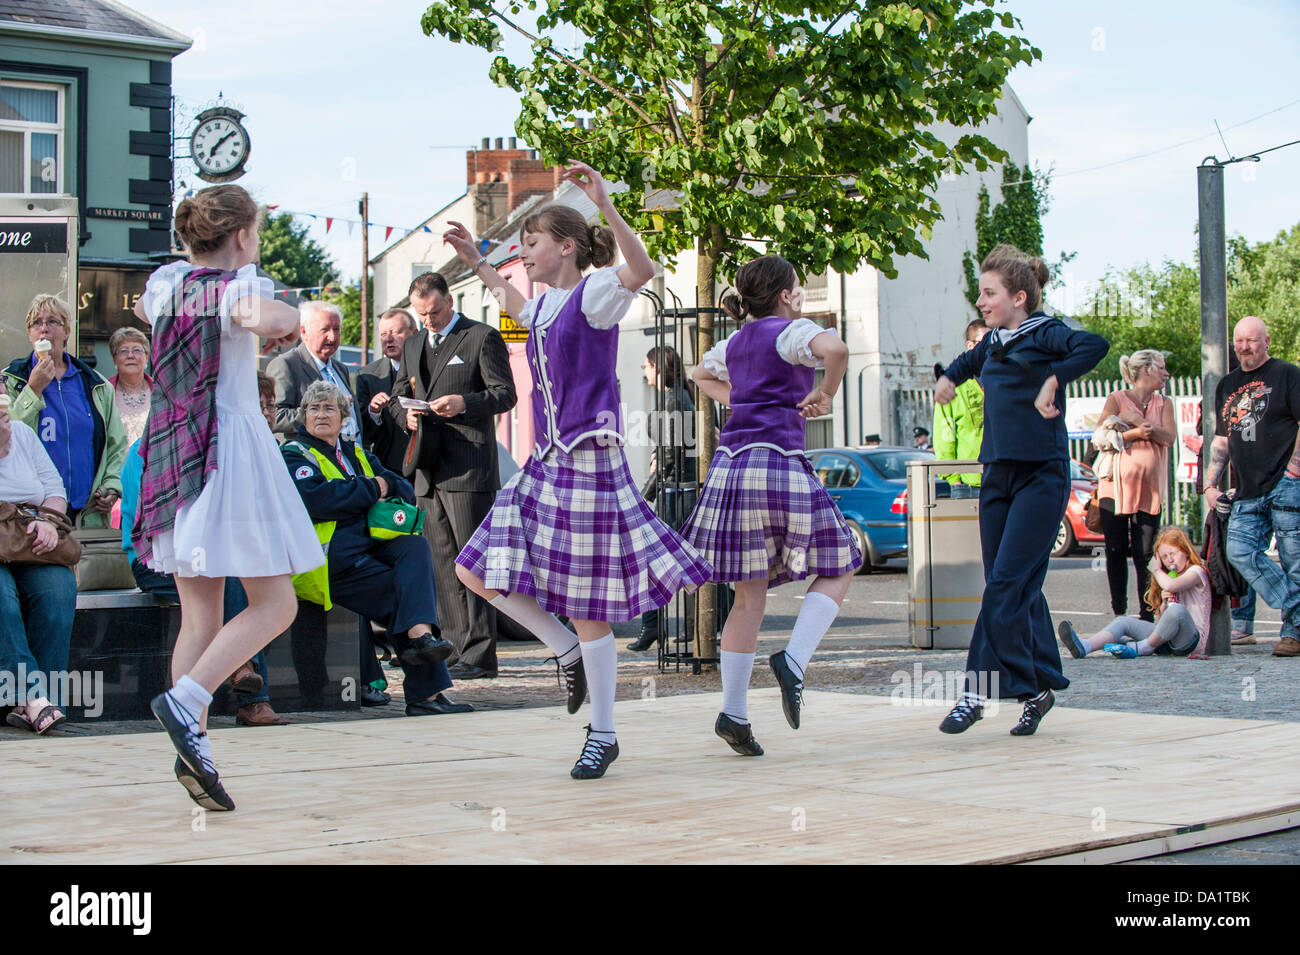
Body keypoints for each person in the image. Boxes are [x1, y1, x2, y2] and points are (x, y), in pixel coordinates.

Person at [450, 161, 711, 779]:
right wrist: (475, 258)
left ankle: (604, 731)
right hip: (547, 463)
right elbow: (510, 299)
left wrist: (605, 207)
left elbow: (641, 271)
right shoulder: (541, 308)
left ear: (566, 247)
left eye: (532, 243)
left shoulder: (594, 296)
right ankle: (564, 649)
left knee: (588, 602)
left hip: (591, 461)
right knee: (473, 568)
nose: (524, 252)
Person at [132, 183, 323, 812]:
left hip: (173, 449)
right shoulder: (241, 286)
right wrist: (286, 316)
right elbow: (264, 319)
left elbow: (148, 305)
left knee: (202, 616)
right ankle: (186, 705)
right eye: (257, 234)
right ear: (241, 236)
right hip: (226, 450)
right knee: (276, 604)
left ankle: (195, 749)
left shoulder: (167, 284)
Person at [680, 255, 860, 756]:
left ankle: (734, 712)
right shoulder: (792, 332)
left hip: (732, 469)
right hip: (778, 460)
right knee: (841, 561)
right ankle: (795, 661)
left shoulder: (734, 342)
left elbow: (699, 373)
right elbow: (838, 349)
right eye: (798, 287)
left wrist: (736, 400)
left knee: (747, 597)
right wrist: (824, 392)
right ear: (786, 294)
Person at [933, 244, 1108, 736]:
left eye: (989, 293)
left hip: (1040, 476)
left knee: (1007, 584)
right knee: (1016, 587)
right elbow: (968, 362)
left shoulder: (1047, 332)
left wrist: (1054, 379)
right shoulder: (992, 341)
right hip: (997, 476)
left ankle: (975, 692)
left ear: (1018, 296)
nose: (981, 301)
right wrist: (949, 378)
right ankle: (1039, 686)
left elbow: (1094, 346)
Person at [282, 381, 470, 716]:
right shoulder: (294, 454)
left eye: (329, 408)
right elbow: (318, 499)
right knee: (405, 597)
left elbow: (402, 488)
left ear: (343, 417)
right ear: (303, 417)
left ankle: (421, 641)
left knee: (414, 546)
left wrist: (359, 490)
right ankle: (425, 683)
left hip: (367, 552)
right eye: (314, 408)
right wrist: (372, 488)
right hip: (329, 563)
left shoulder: (356, 454)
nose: (321, 414)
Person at [394, 271, 516, 680]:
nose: (428, 319)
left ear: (449, 301)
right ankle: (450, 648)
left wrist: (464, 402)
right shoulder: (412, 344)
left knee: (473, 564)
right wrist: (403, 415)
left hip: (468, 469)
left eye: (434, 311)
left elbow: (505, 394)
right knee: (441, 564)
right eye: (421, 313)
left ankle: (481, 654)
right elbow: (398, 394)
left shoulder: (481, 336)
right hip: (426, 468)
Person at [120, 435, 289, 726]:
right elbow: (154, 521)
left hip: (199, 551)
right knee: (225, 596)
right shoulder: (149, 450)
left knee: (226, 595)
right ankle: (247, 686)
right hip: (152, 556)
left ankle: (196, 720)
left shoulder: (214, 444)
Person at [1204, 315, 1300, 657]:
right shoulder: (1227, 385)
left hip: (1286, 486)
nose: (1245, 347)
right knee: (1239, 552)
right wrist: (1209, 484)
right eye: (1239, 341)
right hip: (1246, 489)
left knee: (1294, 561)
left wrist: (1294, 469)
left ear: (1267, 342)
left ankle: (1294, 635)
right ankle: (1298, 607)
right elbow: (1221, 441)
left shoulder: (1287, 375)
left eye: (1252, 340)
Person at [3, 294, 126, 527]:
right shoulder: (11, 380)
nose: (44, 330)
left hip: (86, 515)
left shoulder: (95, 385)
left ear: (67, 331)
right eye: (36, 323)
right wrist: (33, 389)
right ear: (29, 334)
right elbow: (8, 436)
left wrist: (111, 486)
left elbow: (116, 444)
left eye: (52, 322)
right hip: (30, 514)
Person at [0, 381, 76, 734]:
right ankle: (34, 698)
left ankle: (29, 704)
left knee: (58, 590)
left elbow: (54, 487)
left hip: (29, 540)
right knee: (4, 600)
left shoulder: (23, 434)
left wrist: (47, 520)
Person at [1096, 350, 1175, 622]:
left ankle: (1147, 613)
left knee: (1145, 553)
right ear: (1146, 371)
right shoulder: (1116, 399)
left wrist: (1144, 425)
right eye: (1162, 368)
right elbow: (1100, 437)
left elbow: (1169, 437)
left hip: (1148, 490)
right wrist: (1134, 433)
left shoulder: (1164, 403)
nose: (1166, 374)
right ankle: (1119, 611)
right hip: (1114, 488)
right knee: (1116, 549)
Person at [629, 344, 698, 652]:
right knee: (689, 562)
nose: (644, 373)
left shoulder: (674, 401)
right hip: (679, 488)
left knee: (657, 561)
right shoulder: (678, 397)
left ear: (658, 366)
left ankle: (654, 626)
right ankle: (695, 625)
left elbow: (671, 456)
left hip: (676, 491)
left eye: (646, 366)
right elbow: (671, 448)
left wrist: (646, 494)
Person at [1059, 527, 1210, 660]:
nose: (1170, 559)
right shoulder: (1167, 580)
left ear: (1185, 551)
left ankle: (1142, 647)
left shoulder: (1196, 572)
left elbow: (1172, 586)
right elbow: (1160, 625)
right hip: (1167, 640)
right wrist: (1164, 605)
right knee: (1123, 622)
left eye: (1173, 553)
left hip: (1191, 641)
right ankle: (1086, 646)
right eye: (1164, 557)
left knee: (1177, 610)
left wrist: (1156, 570)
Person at [267, 301, 361, 441]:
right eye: (325, 329)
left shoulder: (340, 369)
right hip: (309, 458)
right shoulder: (286, 365)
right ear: (303, 331)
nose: (333, 337)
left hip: (350, 458)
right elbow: (275, 417)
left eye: (336, 329)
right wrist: (326, 410)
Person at [356, 308, 417, 473]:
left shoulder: (432, 369)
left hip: (430, 467)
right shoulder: (368, 376)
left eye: (396, 332)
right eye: (383, 334)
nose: (388, 339)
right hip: (389, 469)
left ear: (415, 333)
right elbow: (364, 434)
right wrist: (373, 411)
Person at [933, 317, 988, 495]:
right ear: (970, 345)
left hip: (1001, 478)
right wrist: (953, 479)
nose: (990, 348)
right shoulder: (955, 385)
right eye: (984, 342)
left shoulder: (1001, 378)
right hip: (968, 483)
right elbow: (944, 435)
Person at [108, 327, 154, 446]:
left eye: (136, 350)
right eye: (123, 351)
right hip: (118, 463)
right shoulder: (105, 392)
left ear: (146, 358)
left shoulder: (161, 391)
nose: (130, 355)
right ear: (114, 360)